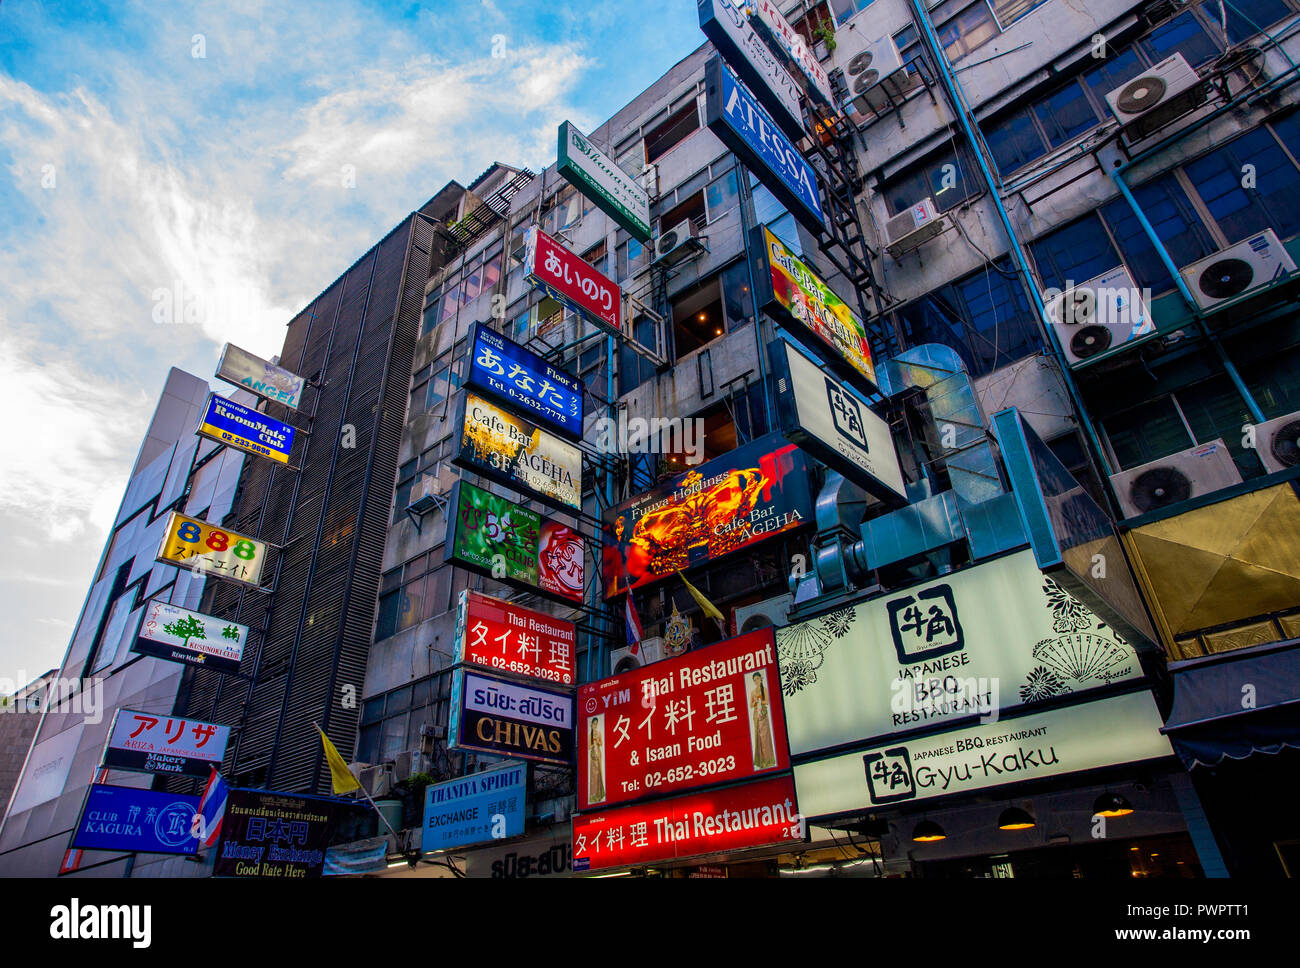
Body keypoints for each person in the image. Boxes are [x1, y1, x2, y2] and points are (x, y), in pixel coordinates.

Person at [750, 672, 776, 770]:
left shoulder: (764, 689)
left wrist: (759, 701)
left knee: (765, 736)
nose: (756, 681)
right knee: (758, 736)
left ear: (761, 679)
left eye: (757, 678)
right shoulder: (752, 692)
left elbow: (767, 702)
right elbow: (751, 705)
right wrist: (755, 702)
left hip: (763, 713)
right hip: (756, 714)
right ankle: (760, 761)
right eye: (754, 679)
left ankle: (768, 760)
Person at [588, 718, 606, 803]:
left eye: (596, 724)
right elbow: (588, 747)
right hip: (592, 756)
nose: (595, 725)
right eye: (594, 724)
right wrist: (593, 743)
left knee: (599, 774)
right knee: (593, 776)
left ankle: (599, 794)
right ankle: (593, 796)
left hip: (598, 754)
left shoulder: (599, 733)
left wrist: (598, 741)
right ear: (591, 724)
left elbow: (601, 743)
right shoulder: (589, 735)